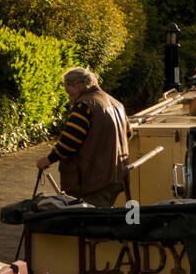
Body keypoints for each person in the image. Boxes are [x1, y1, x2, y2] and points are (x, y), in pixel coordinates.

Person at [36, 68, 129, 207]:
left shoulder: (84, 106)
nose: (68, 97)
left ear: (76, 86)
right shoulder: (116, 104)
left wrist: (48, 159)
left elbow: (70, 141)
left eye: (68, 90)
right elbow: (128, 133)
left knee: (88, 223)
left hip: (93, 180)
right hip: (116, 176)